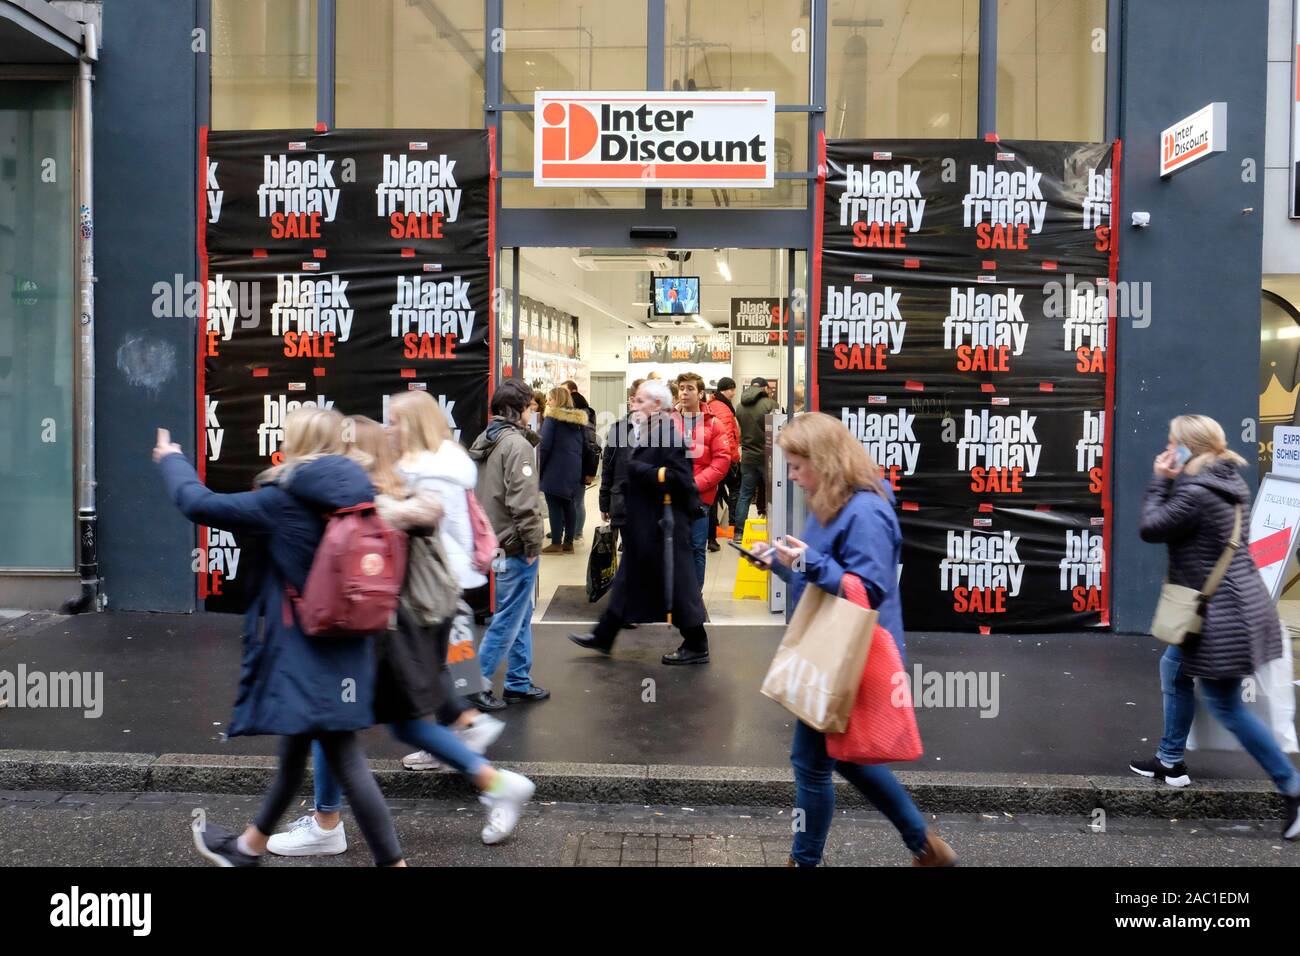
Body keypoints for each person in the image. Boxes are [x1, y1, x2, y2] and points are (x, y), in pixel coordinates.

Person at [269, 417, 534, 854]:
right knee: (401, 722)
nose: (392, 429)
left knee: (339, 723)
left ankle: (327, 824)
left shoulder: (367, 503)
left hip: (384, 633)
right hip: (419, 622)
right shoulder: (402, 491)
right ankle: (490, 772)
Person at [153, 410, 407, 867]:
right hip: (349, 643)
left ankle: (393, 864)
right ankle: (249, 848)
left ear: (297, 442)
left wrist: (172, 459)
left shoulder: (283, 500)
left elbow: (198, 504)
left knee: (345, 758)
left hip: (307, 647)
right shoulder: (356, 490)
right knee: (296, 748)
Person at [750, 412, 956, 867]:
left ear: (824, 462)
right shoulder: (835, 502)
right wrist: (781, 563)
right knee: (837, 758)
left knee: (814, 762)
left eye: (798, 464)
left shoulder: (865, 511)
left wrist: (807, 563)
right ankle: (924, 845)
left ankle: (807, 861)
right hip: (837, 650)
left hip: (855, 654)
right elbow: (821, 576)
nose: (792, 474)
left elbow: (867, 589)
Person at [1133, 414, 1300, 838]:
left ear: (1188, 446)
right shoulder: (1226, 483)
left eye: (1173, 443)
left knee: (1227, 706)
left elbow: (1151, 527)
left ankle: (1293, 787)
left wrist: (1159, 479)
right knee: (1173, 668)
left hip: (1221, 616)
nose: (1169, 449)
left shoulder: (1195, 491)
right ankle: (1170, 759)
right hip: (1231, 606)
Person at [383, 391, 504, 772]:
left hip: (432, 579)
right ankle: (461, 735)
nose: (389, 428)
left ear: (414, 424)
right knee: (451, 661)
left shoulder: (428, 472)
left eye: (395, 421)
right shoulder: (449, 462)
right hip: (450, 576)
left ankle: (457, 737)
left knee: (430, 665)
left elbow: (428, 524)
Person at [569, 380, 711, 665]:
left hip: (663, 528)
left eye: (641, 401)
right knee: (627, 581)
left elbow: (682, 481)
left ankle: (696, 643)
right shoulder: (647, 431)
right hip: (646, 525)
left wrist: (645, 471)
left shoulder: (669, 435)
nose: (634, 405)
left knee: (678, 587)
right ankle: (604, 635)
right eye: (634, 400)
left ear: (658, 406)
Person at [468, 379, 550, 708]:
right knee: (509, 616)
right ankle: (477, 682)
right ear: (515, 409)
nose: (534, 413)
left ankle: (517, 680)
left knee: (517, 611)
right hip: (515, 544)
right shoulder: (517, 446)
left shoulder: (485, 441)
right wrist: (532, 545)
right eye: (531, 407)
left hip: (494, 542)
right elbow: (523, 502)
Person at [672, 372, 731, 588]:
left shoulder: (714, 424)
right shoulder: (668, 422)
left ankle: (694, 597)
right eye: (681, 388)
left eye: (690, 388)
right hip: (672, 497)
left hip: (699, 499)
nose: (684, 393)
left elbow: (722, 461)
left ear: (701, 393)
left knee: (697, 547)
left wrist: (694, 485)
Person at [539, 386, 589, 554]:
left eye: (550, 399)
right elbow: (586, 446)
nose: (547, 402)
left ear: (557, 400)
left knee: (553, 504)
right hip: (573, 467)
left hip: (554, 466)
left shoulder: (552, 419)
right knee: (569, 504)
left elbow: (544, 446)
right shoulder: (579, 422)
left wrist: (539, 467)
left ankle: (556, 543)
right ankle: (569, 542)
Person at [734, 376, 779, 534]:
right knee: (772, 496)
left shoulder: (739, 406)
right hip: (768, 458)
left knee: (745, 495)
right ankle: (773, 531)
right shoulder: (771, 404)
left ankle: (739, 532)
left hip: (747, 457)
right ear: (765, 389)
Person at [704, 377, 742, 552]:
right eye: (732, 389)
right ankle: (734, 527)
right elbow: (727, 436)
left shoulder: (714, 404)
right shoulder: (724, 408)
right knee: (736, 489)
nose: (734, 393)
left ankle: (714, 531)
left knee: (715, 494)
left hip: (712, 459)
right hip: (725, 458)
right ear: (726, 390)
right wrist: (734, 458)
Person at [563, 380, 600, 543]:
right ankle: (570, 531)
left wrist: (590, 471)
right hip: (574, 464)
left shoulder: (583, 419)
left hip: (580, 466)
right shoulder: (583, 417)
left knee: (577, 501)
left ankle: (577, 533)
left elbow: (591, 447)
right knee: (571, 501)